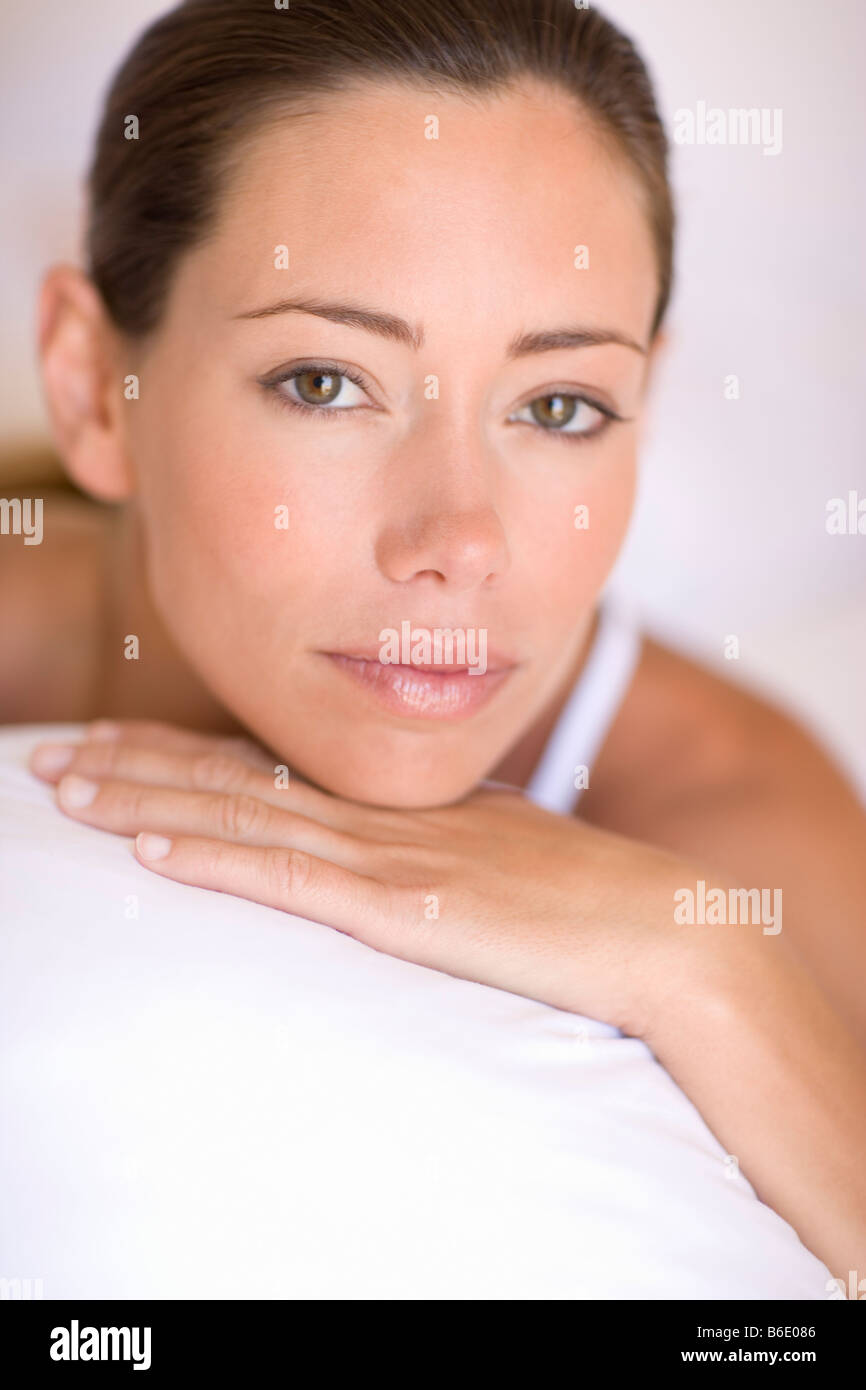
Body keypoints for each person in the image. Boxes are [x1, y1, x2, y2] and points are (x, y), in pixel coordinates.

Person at [2, 0, 865, 1289]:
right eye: (324, 382)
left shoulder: (736, 818)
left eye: (561, 404)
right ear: (90, 386)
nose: (461, 539)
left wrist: (709, 961)